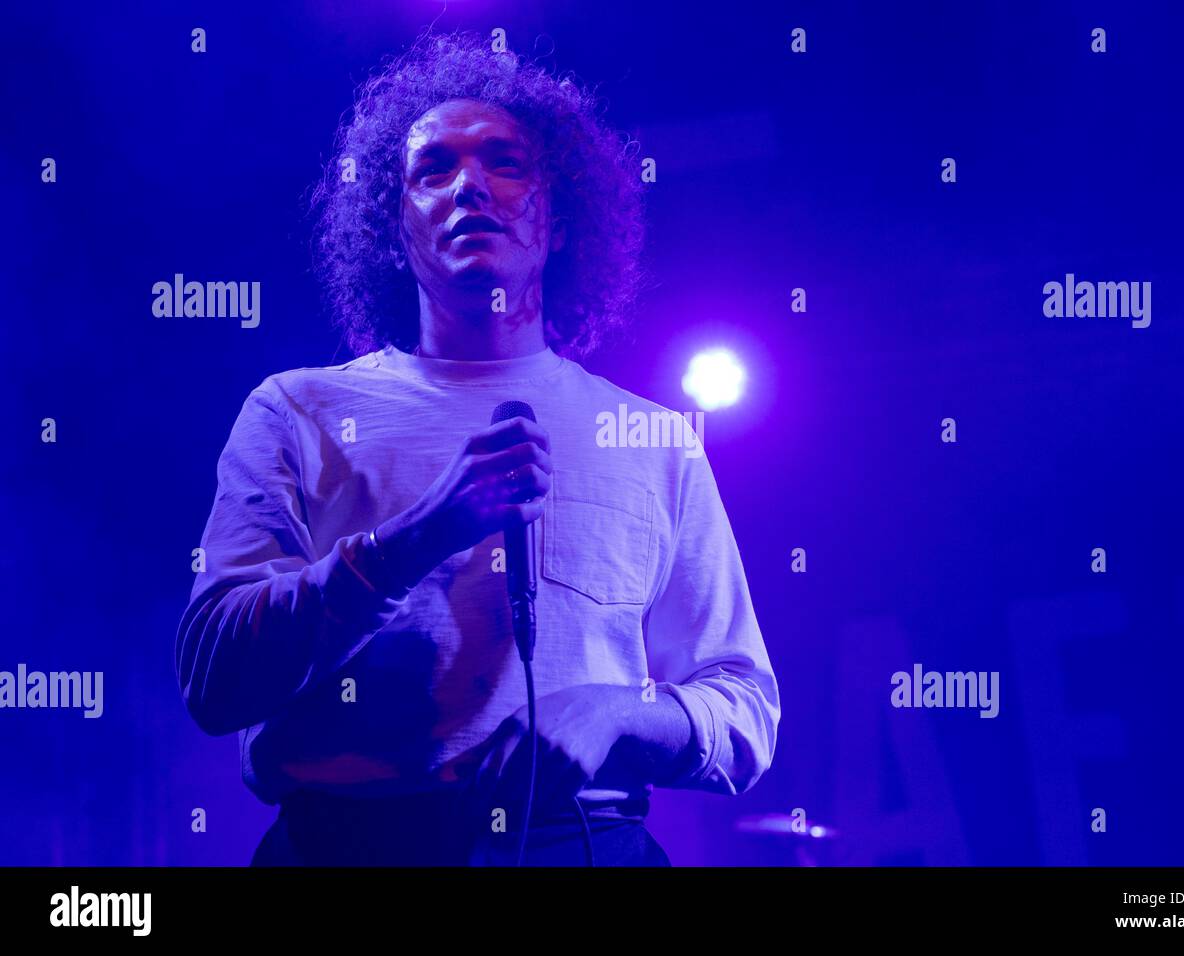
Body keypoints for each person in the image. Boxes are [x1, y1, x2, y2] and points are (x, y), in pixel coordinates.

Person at [174, 29, 779, 866]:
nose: (469, 187)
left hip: (580, 842)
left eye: (505, 162)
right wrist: (414, 537)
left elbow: (743, 708)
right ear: (393, 229)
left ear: (558, 220)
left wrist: (611, 710)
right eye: (433, 170)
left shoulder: (655, 439)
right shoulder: (296, 411)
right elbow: (214, 677)